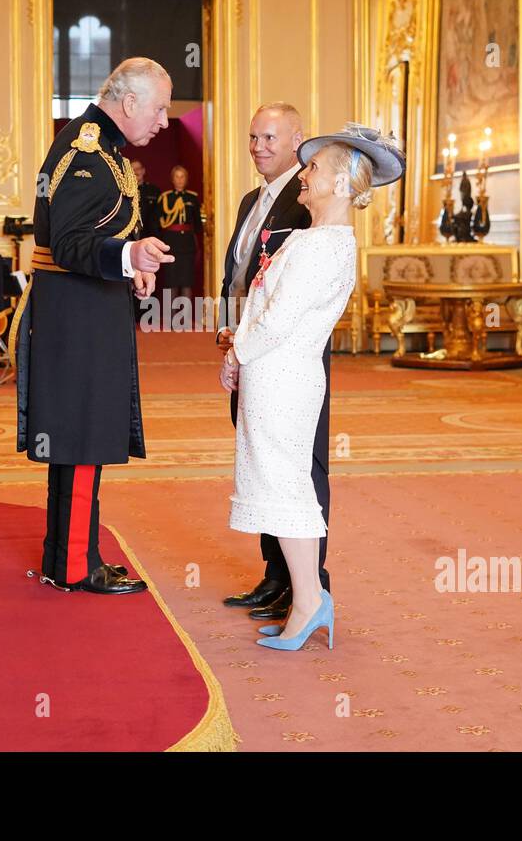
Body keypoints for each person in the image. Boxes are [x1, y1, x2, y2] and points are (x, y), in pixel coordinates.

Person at [220, 125, 404, 650]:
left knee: (290, 487)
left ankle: (309, 601)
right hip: (270, 373)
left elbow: (279, 322)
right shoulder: (308, 237)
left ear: (344, 184)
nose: (304, 174)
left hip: (286, 379)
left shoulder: (327, 247)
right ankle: (306, 599)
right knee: (280, 486)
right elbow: (264, 307)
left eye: (315, 168)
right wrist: (239, 343)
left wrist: (238, 352)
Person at [12, 57, 174, 594]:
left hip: (83, 309)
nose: (165, 121)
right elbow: (70, 243)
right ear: (129, 103)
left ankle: (69, 557)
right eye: (159, 108)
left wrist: (132, 267)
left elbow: (95, 233)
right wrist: (129, 256)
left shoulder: (102, 149)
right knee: (81, 435)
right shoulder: (89, 154)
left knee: (77, 436)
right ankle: (76, 566)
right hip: (79, 317)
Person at [217, 102, 331, 623]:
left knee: (299, 467)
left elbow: (292, 290)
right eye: (253, 137)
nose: (258, 147)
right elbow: (237, 274)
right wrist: (229, 330)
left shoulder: (306, 200)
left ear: (295, 140)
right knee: (263, 462)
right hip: (250, 349)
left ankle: (308, 585)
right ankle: (273, 575)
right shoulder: (249, 200)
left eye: (269, 137)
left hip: (287, 356)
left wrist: (248, 341)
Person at [154, 165, 203, 307]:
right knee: (171, 281)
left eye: (183, 177)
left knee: (187, 281)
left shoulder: (192, 198)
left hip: (187, 244)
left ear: (186, 179)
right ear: (172, 179)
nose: (180, 180)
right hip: (171, 242)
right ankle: (171, 318)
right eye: (177, 176)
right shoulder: (165, 197)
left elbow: (197, 224)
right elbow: (156, 221)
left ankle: (185, 319)